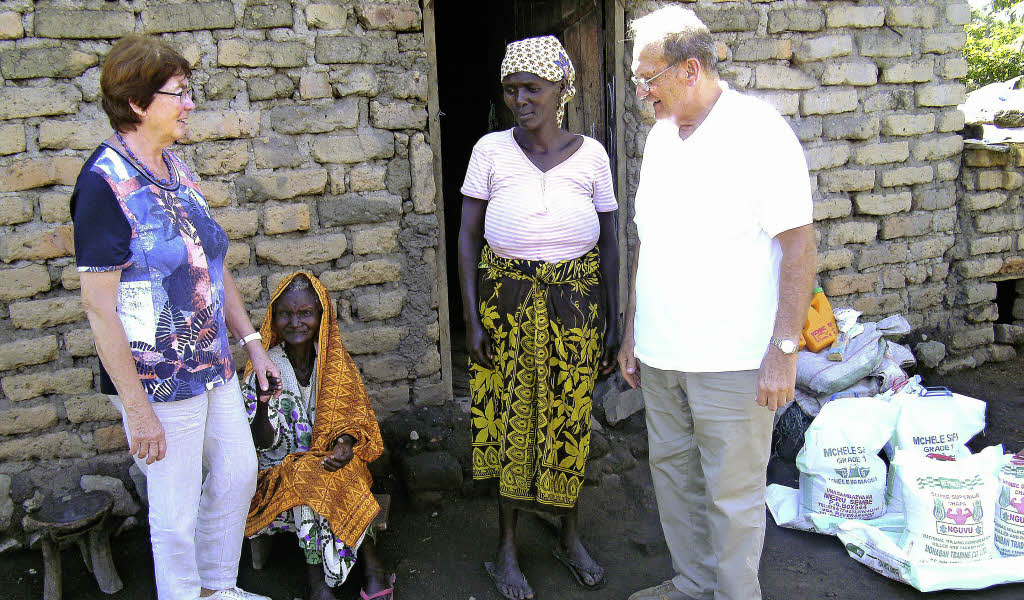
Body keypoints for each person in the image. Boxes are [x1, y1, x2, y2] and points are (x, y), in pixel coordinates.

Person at [618, 7, 817, 600]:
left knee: (732, 496)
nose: (640, 92)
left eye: (647, 77)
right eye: (636, 78)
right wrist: (633, 334)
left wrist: (784, 349)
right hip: (662, 352)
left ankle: (734, 594)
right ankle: (692, 583)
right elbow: (647, 245)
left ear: (690, 69)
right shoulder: (658, 140)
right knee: (674, 479)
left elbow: (799, 247)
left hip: (733, 359)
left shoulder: (756, 132)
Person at [72, 34, 279, 600]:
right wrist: (137, 410)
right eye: (179, 94)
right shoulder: (103, 185)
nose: (189, 104)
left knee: (237, 474)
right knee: (174, 509)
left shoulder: (176, 168)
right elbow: (98, 306)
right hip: (158, 377)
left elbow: (210, 263)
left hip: (210, 359)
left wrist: (253, 342)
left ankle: (216, 588)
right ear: (139, 103)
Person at [457, 35, 620, 600]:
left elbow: (611, 242)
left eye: (532, 87)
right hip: (506, 304)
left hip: (576, 305)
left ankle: (569, 536)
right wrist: (473, 320)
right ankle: (506, 548)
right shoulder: (490, 151)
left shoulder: (593, 155)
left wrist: (613, 321)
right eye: (510, 89)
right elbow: (468, 236)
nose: (520, 98)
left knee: (569, 422)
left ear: (561, 91)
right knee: (510, 422)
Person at [242, 272, 394, 600]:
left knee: (339, 472)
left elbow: (354, 423)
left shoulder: (336, 365)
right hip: (276, 477)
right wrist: (262, 406)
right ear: (273, 317)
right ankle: (346, 573)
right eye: (285, 314)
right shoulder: (264, 367)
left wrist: (343, 445)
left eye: (305, 313)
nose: (295, 322)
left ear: (322, 317)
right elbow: (259, 444)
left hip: (327, 467)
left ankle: (332, 579)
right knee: (310, 481)